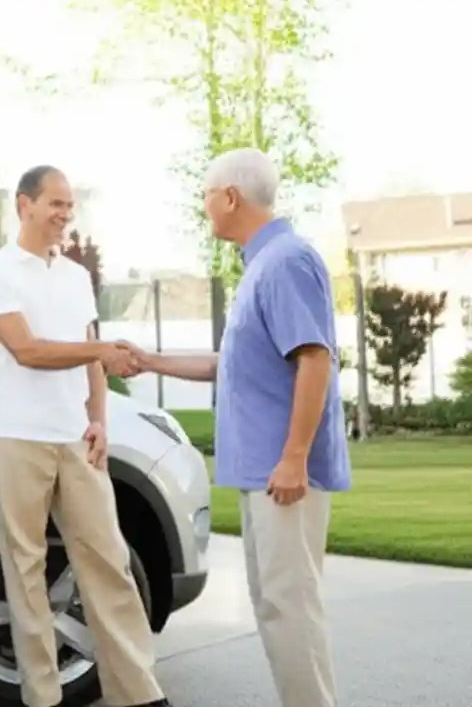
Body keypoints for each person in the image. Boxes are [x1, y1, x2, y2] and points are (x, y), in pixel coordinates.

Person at [122, 148, 349, 707]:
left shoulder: (287, 261)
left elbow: (315, 359)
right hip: (265, 470)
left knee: (288, 605)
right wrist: (150, 361)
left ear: (230, 197)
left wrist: (295, 456)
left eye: (205, 195)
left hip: (285, 472)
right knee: (277, 604)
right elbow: (230, 364)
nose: (204, 208)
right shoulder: (261, 266)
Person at [0, 164, 170, 707]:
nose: (64, 214)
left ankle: (138, 694)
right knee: (26, 569)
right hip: (16, 436)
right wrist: (100, 352)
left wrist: (99, 419)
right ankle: (43, 696)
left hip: (75, 438)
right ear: (24, 205)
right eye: (55, 204)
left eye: (69, 206)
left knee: (109, 562)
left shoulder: (76, 277)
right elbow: (28, 351)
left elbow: (90, 362)